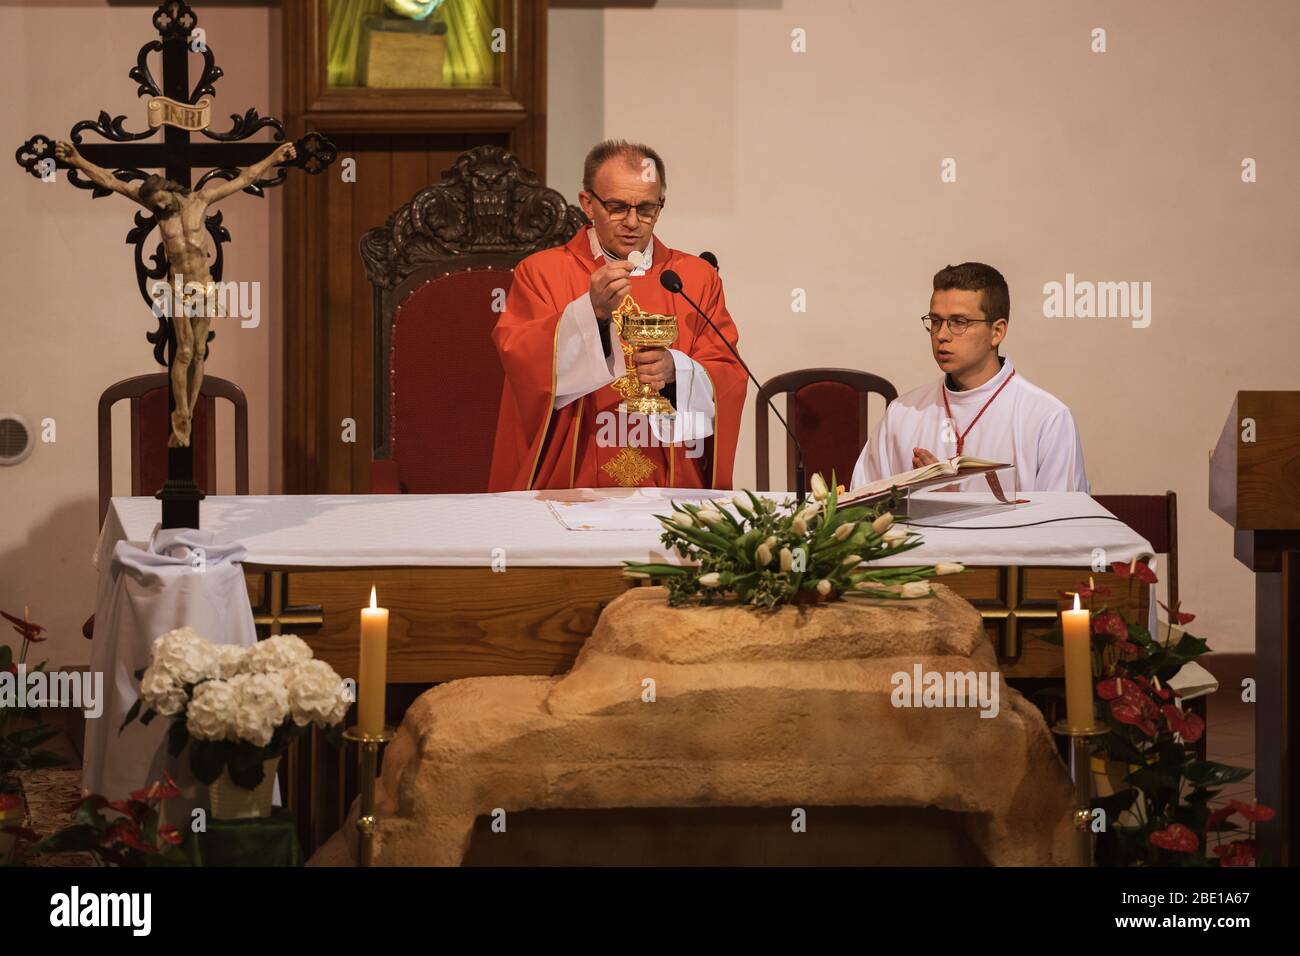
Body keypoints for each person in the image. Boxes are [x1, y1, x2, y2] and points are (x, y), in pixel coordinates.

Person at [489, 140, 747, 490]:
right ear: (587, 204)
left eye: (645, 209)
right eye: (616, 207)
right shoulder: (541, 273)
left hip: (670, 476)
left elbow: (728, 372)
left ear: (661, 205)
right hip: (573, 476)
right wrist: (590, 312)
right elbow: (521, 360)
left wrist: (677, 371)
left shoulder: (694, 278)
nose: (632, 222)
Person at [851, 262, 1089, 492]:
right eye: (935, 321)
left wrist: (948, 503)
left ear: (997, 331)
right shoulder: (902, 413)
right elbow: (863, 509)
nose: (942, 335)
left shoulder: (1048, 419)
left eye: (959, 322)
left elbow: (1062, 524)